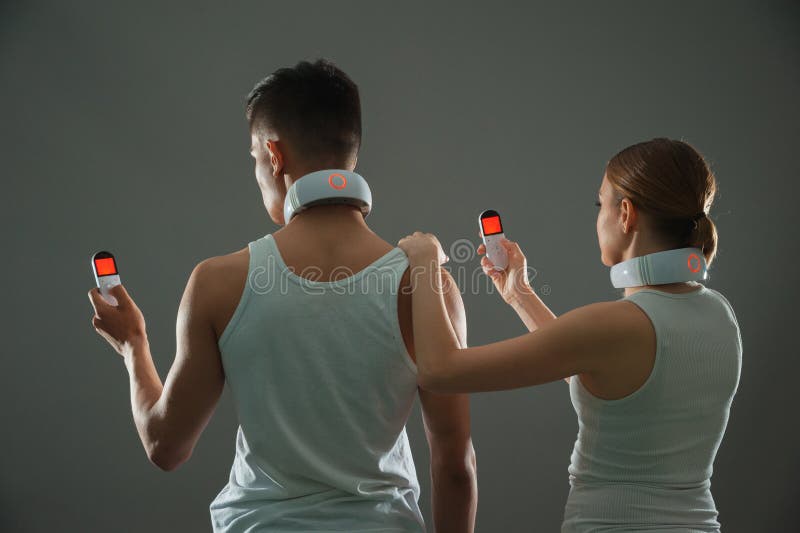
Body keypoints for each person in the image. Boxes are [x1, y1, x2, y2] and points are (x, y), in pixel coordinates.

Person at [87, 59, 477, 532]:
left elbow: (165, 446)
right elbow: (455, 467)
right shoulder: (426, 284)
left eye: (254, 159)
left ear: (274, 154)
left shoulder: (217, 282)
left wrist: (134, 347)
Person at [397, 138, 742, 532]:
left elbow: (440, 371)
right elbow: (601, 375)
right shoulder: (719, 314)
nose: (599, 216)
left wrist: (424, 263)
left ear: (626, 213)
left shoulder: (614, 325)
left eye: (601, 204)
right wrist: (520, 295)